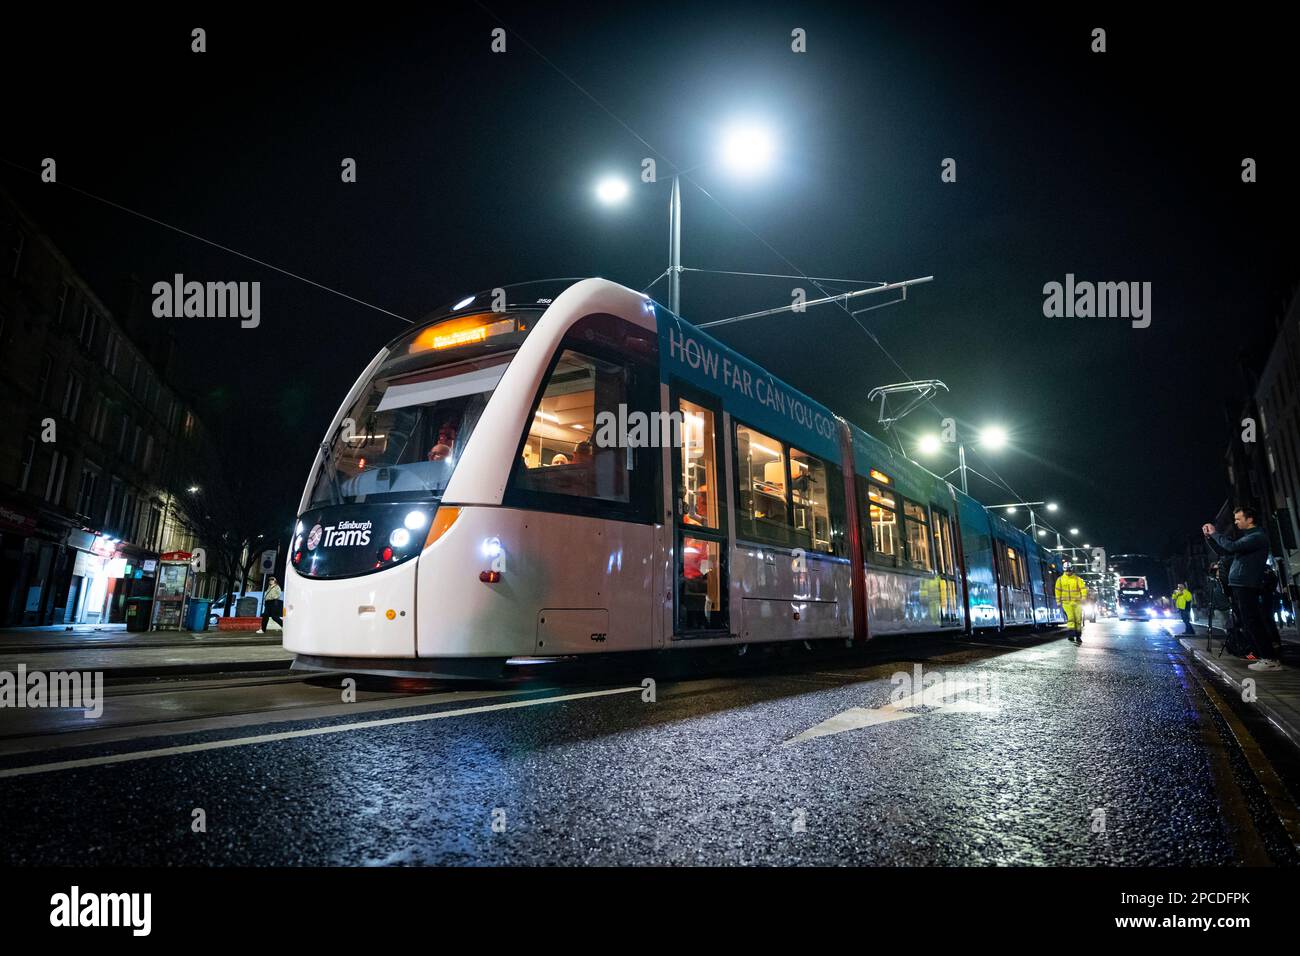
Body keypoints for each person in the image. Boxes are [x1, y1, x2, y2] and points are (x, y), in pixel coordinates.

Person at [1204, 507, 1281, 671]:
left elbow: (1231, 547)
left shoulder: (1256, 537)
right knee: (1248, 622)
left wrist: (1216, 533)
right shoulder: (1248, 538)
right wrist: (1210, 538)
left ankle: (1270, 659)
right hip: (1240, 585)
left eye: (1239, 519)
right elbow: (1224, 551)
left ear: (1250, 519)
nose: (1236, 522)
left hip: (1246, 584)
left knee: (1253, 622)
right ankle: (1263, 656)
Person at [1055, 564, 1089, 643]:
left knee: (1078, 619)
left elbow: (1083, 589)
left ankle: (1078, 636)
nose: (1068, 572)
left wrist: (1083, 598)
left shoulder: (1078, 579)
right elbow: (1057, 591)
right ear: (1064, 570)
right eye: (1066, 570)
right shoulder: (1060, 580)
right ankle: (1071, 635)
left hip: (1077, 603)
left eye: (1069, 570)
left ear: (1072, 569)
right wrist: (1058, 602)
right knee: (1071, 618)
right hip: (1066, 603)